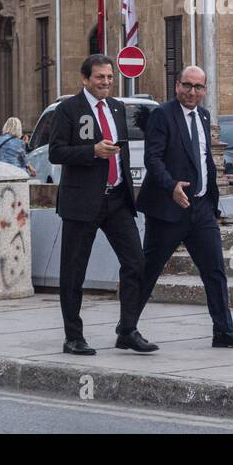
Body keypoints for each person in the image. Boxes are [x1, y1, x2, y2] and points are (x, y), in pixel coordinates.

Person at [137, 65, 233, 348]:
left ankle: (224, 332)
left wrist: (213, 202)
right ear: (177, 86)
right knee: (148, 270)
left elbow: (203, 160)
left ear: (205, 90)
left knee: (214, 270)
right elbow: (152, 159)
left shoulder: (203, 116)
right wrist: (171, 186)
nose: (192, 92)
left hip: (201, 208)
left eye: (198, 87)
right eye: (187, 86)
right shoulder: (162, 115)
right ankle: (127, 328)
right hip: (168, 209)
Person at [48, 54, 156, 356]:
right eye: (100, 77)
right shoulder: (69, 109)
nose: (106, 82)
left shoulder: (118, 108)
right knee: (73, 271)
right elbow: (56, 152)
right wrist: (92, 152)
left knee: (136, 262)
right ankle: (73, 336)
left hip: (117, 199)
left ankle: (127, 330)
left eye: (109, 77)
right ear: (85, 79)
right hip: (81, 201)